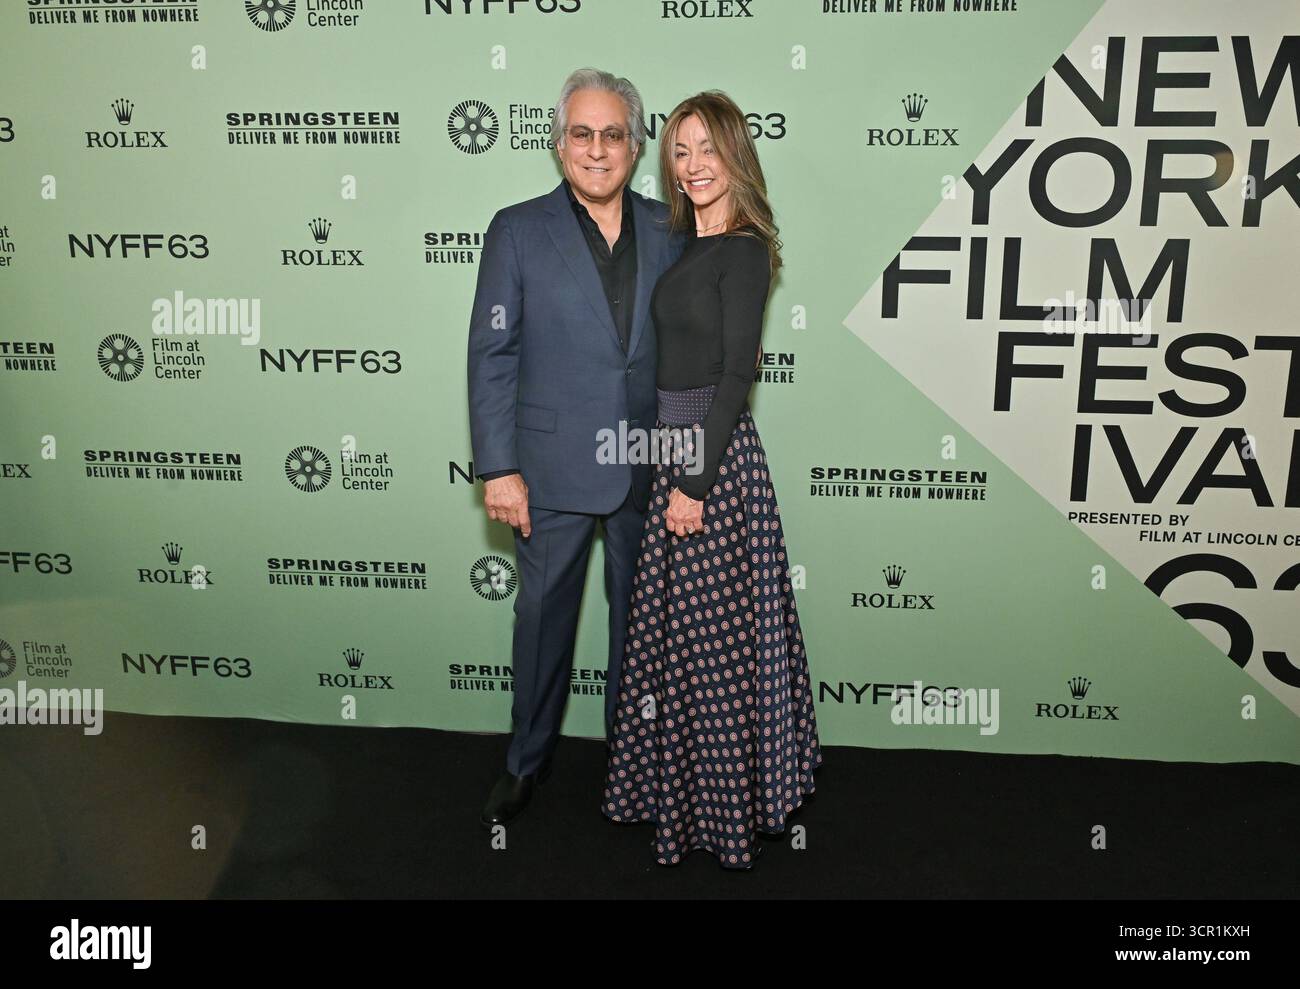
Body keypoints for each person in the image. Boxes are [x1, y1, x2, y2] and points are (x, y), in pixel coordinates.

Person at [601, 91, 822, 870]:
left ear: (735, 156)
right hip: (672, 449)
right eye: (681, 151)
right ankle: (681, 795)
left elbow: (735, 376)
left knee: (715, 645)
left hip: (712, 464)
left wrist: (694, 482)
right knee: (682, 643)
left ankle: (727, 811)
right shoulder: (683, 243)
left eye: (707, 149)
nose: (693, 165)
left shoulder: (745, 249)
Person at [467, 68, 684, 829]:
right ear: (560, 143)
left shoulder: (671, 229)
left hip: (647, 467)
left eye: (614, 134)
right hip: (550, 469)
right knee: (542, 623)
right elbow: (493, 353)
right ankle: (526, 761)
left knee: (644, 627)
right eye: (582, 133)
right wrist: (498, 466)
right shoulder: (517, 230)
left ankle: (633, 765)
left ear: (637, 143)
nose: (598, 149)